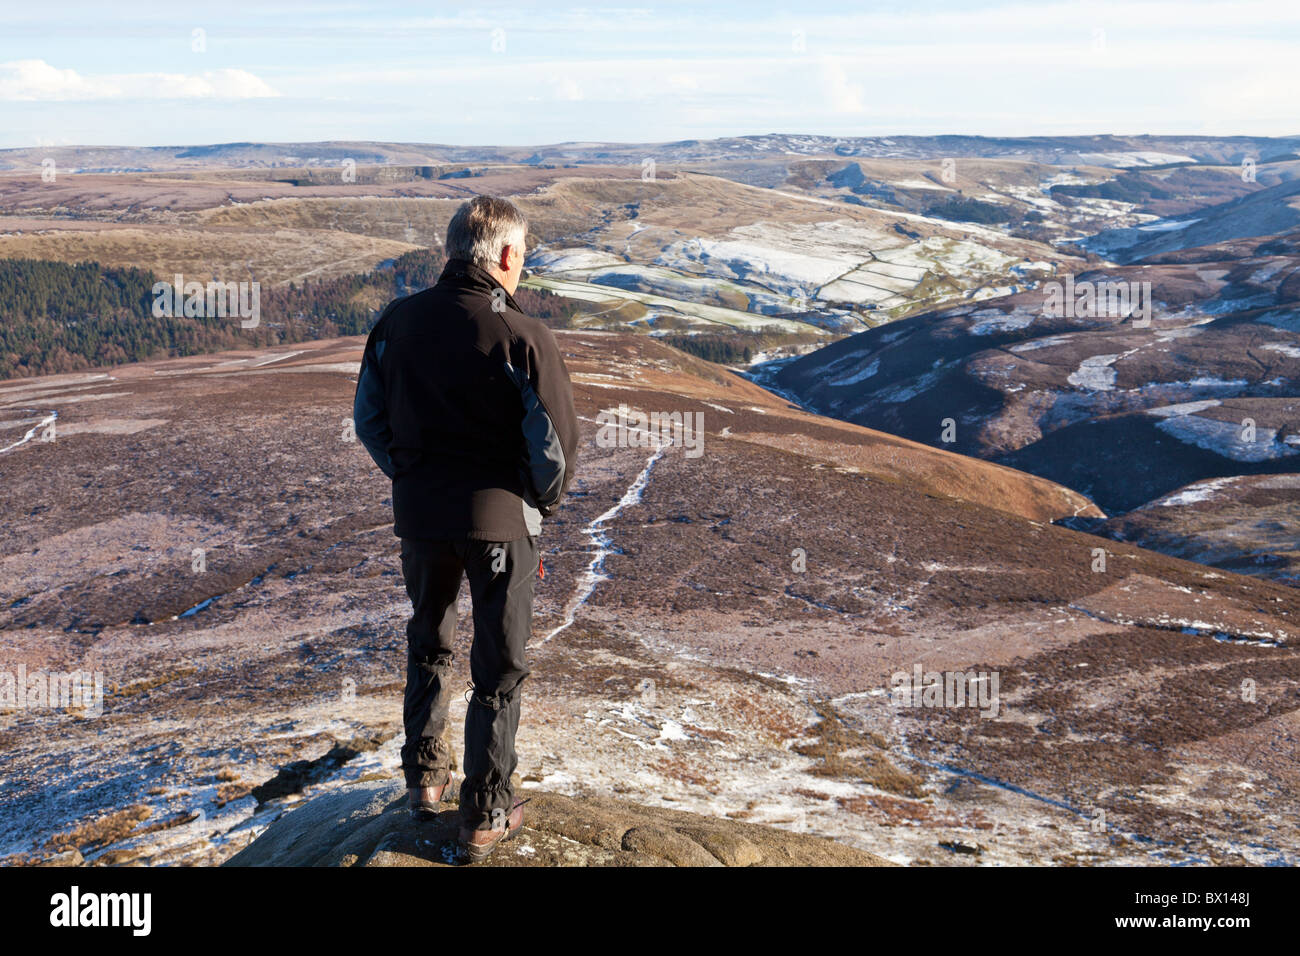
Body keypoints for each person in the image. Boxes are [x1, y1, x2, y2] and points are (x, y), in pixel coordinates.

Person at [352, 195, 579, 861]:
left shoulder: (397, 322)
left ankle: (424, 783)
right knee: (499, 668)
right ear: (505, 255)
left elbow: (369, 419)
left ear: (453, 249)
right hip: (501, 523)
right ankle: (484, 813)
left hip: (421, 520)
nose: (524, 269)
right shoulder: (523, 335)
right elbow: (556, 452)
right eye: (524, 257)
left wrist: (412, 476)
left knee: (429, 644)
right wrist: (536, 509)